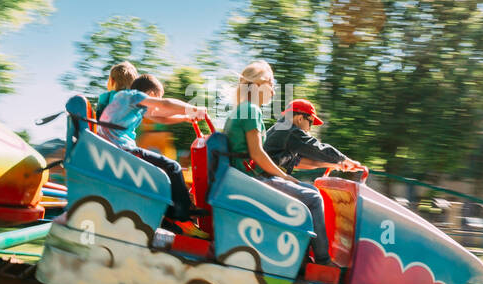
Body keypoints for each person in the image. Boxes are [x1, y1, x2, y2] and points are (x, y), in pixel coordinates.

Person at [221, 61, 332, 263]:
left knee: (313, 192)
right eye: (272, 85)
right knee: (314, 199)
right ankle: (324, 262)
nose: (273, 92)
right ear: (260, 84)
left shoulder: (242, 109)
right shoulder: (250, 111)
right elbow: (257, 154)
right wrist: (284, 176)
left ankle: (304, 257)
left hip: (240, 177)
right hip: (249, 181)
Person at [97, 73, 206, 223]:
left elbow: (160, 117)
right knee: (173, 167)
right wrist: (192, 109)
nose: (156, 103)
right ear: (151, 94)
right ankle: (183, 210)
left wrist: (185, 117)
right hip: (121, 149)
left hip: (116, 149)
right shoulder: (131, 96)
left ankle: (169, 214)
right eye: (157, 98)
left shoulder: (129, 102)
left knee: (161, 173)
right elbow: (165, 105)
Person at [264, 98, 365, 178]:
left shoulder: (281, 133)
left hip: (265, 175)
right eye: (310, 123)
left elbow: (312, 163)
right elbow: (317, 148)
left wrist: (337, 165)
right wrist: (345, 159)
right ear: (299, 118)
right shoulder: (291, 131)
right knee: (314, 196)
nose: (309, 129)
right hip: (266, 177)